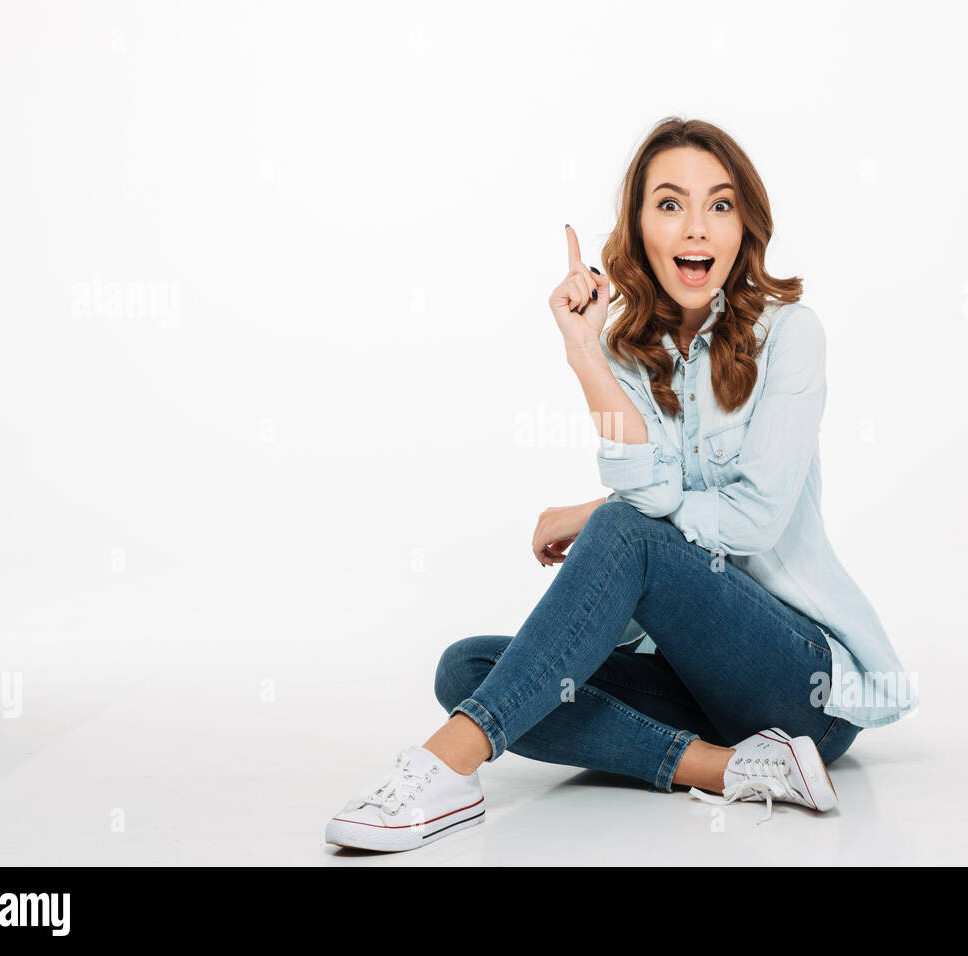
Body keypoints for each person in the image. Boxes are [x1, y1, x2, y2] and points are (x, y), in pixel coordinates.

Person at [324, 116, 918, 853]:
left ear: (744, 227)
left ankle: (445, 766)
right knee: (468, 669)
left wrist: (593, 512)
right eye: (670, 204)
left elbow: (754, 519)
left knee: (621, 534)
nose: (696, 227)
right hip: (696, 688)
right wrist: (585, 352)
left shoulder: (792, 334)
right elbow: (652, 501)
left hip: (801, 690)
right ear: (639, 228)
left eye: (720, 205)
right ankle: (728, 768)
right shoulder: (627, 357)